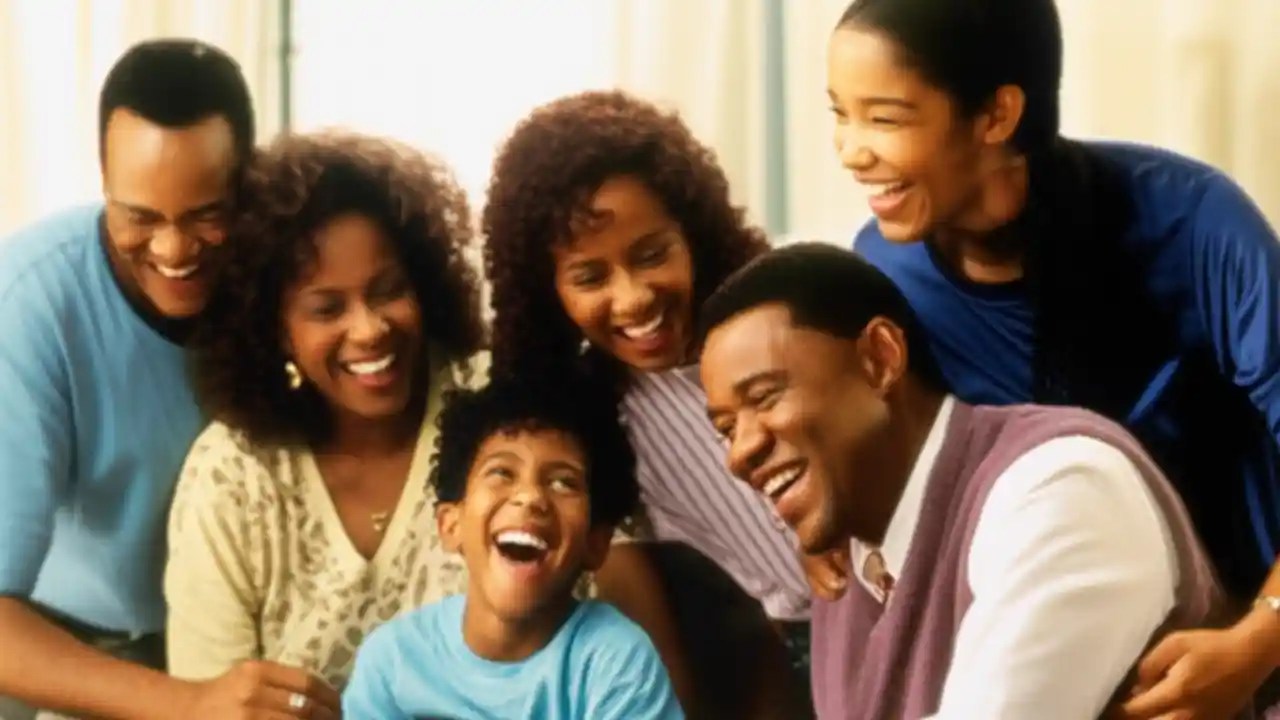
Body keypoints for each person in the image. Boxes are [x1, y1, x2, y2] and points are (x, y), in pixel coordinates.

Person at [824, 1, 1280, 716]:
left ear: (998, 115)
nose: (850, 150)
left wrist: (1259, 642)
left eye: (884, 118)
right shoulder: (883, 275)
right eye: (839, 115)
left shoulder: (1196, 227)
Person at [697, 242, 1234, 719]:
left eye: (765, 396)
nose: (741, 452)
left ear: (880, 359)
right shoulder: (850, 568)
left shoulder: (1058, 486)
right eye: (725, 429)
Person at [0, 39, 327, 720]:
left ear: (250, 184)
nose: (174, 251)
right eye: (139, 217)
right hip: (73, 649)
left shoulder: (290, 272)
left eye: (208, 215)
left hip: (255, 636)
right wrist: (190, 704)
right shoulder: (28, 305)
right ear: (103, 180)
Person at [483, 89, 811, 717]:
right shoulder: (598, 425)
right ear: (548, 289)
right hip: (793, 655)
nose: (632, 299)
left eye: (652, 255)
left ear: (694, 234)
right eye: (590, 277)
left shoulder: (784, 326)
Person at [162, 131, 484, 695]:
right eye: (327, 308)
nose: (369, 329)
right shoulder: (233, 473)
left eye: (388, 291)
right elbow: (210, 703)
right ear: (275, 330)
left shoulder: (492, 403)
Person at [343, 376, 684, 719]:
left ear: (596, 544)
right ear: (451, 525)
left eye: (564, 482)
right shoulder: (393, 660)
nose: (531, 497)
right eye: (502, 472)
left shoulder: (614, 661)